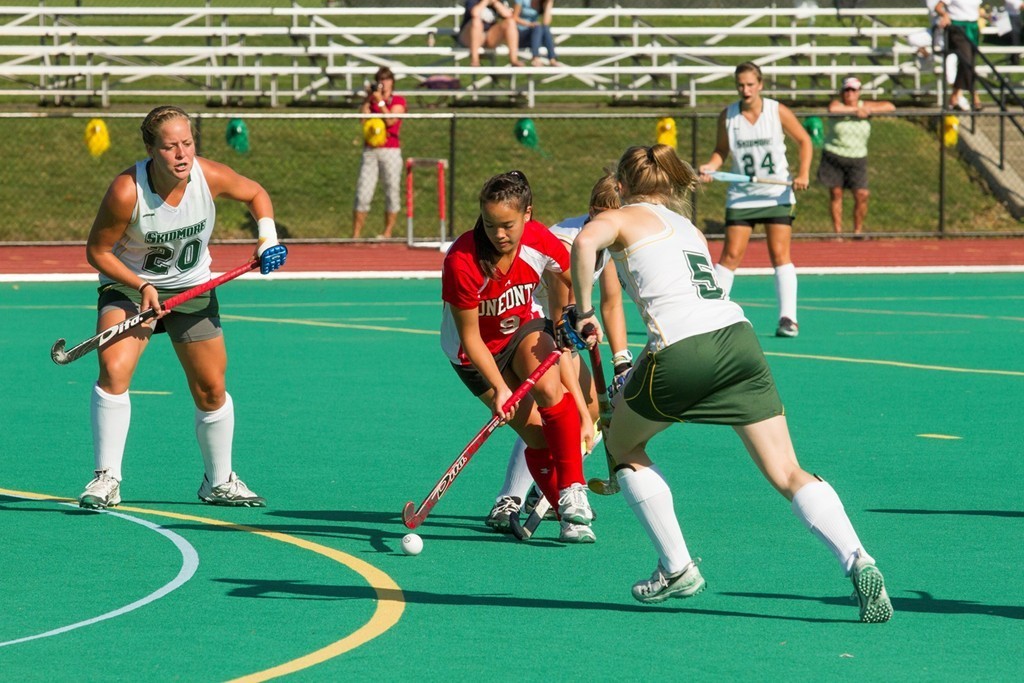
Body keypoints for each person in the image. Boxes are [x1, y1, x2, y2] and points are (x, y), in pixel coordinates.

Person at [570, 143, 893, 623]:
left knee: (622, 447)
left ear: (623, 186)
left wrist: (584, 311)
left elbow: (582, 244)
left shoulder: (621, 218)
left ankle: (677, 567)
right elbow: (683, 315)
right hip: (739, 342)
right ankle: (859, 560)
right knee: (787, 470)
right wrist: (634, 375)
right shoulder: (692, 230)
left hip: (683, 353)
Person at [78, 105, 287, 510]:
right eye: (170, 146)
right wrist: (142, 285)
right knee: (114, 369)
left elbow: (256, 194)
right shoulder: (127, 190)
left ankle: (220, 481)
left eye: (187, 143)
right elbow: (97, 251)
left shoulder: (208, 176)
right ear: (151, 149)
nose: (182, 154)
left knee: (211, 388)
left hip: (192, 289)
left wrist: (267, 238)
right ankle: (107, 478)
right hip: (129, 286)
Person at [441, 170, 595, 543]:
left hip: (521, 331)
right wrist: (499, 388)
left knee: (549, 387)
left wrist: (573, 315)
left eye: (507, 225)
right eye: (490, 224)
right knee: (538, 437)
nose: (499, 235)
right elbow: (471, 337)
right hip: (472, 355)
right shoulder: (462, 261)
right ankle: (566, 515)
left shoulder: (540, 240)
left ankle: (574, 489)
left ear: (528, 213)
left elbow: (568, 274)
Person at [486, 172, 631, 532]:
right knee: (556, 407)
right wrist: (583, 415)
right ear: (592, 212)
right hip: (524, 329)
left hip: (549, 330)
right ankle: (512, 499)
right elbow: (558, 344)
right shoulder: (568, 245)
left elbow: (611, 303)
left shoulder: (608, 239)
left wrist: (622, 360)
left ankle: (541, 489)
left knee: (584, 411)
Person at [698, 62, 812, 339]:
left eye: (750, 84)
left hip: (776, 193)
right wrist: (711, 167)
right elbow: (720, 151)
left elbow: (804, 140)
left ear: (760, 85)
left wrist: (803, 173)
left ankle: (788, 319)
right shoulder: (729, 116)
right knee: (731, 255)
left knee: (779, 254)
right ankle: (713, 315)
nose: (745, 90)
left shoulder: (777, 111)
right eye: (741, 85)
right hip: (742, 195)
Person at [818, 77, 895, 239]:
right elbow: (833, 109)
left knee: (862, 194)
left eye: (854, 90)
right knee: (836, 193)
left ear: (859, 92)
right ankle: (838, 233)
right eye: (847, 90)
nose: (850, 93)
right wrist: (854, 112)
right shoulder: (837, 105)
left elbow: (890, 106)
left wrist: (867, 110)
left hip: (857, 157)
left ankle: (857, 231)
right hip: (834, 154)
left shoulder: (864, 105)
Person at [353, 66, 406, 240]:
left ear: (392, 82)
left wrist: (381, 102)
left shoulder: (397, 100)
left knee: (392, 190)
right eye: (380, 79)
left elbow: (391, 120)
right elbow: (361, 119)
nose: (383, 83)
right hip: (370, 150)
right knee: (363, 192)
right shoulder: (371, 101)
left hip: (390, 150)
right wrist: (369, 99)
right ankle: (356, 234)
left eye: (386, 79)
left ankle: (387, 232)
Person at [935, 0, 984, 110]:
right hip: (958, 27)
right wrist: (945, 15)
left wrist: (988, 16)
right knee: (967, 62)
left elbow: (975, 10)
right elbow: (938, 7)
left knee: (969, 63)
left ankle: (954, 96)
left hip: (973, 27)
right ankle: (975, 97)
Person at [458, 0, 524, 68]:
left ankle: (514, 60)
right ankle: (475, 60)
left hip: (488, 37)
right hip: (469, 37)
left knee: (510, 22)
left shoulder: (498, 1)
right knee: (476, 22)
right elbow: (475, 13)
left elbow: (509, 15)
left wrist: (495, 3)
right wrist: (485, 2)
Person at [513, 0, 561, 67]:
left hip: (534, 35)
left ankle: (552, 59)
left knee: (545, 28)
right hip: (519, 34)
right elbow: (514, 17)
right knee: (538, 27)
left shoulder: (542, 2)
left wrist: (549, 3)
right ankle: (536, 58)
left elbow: (546, 23)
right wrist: (529, 24)